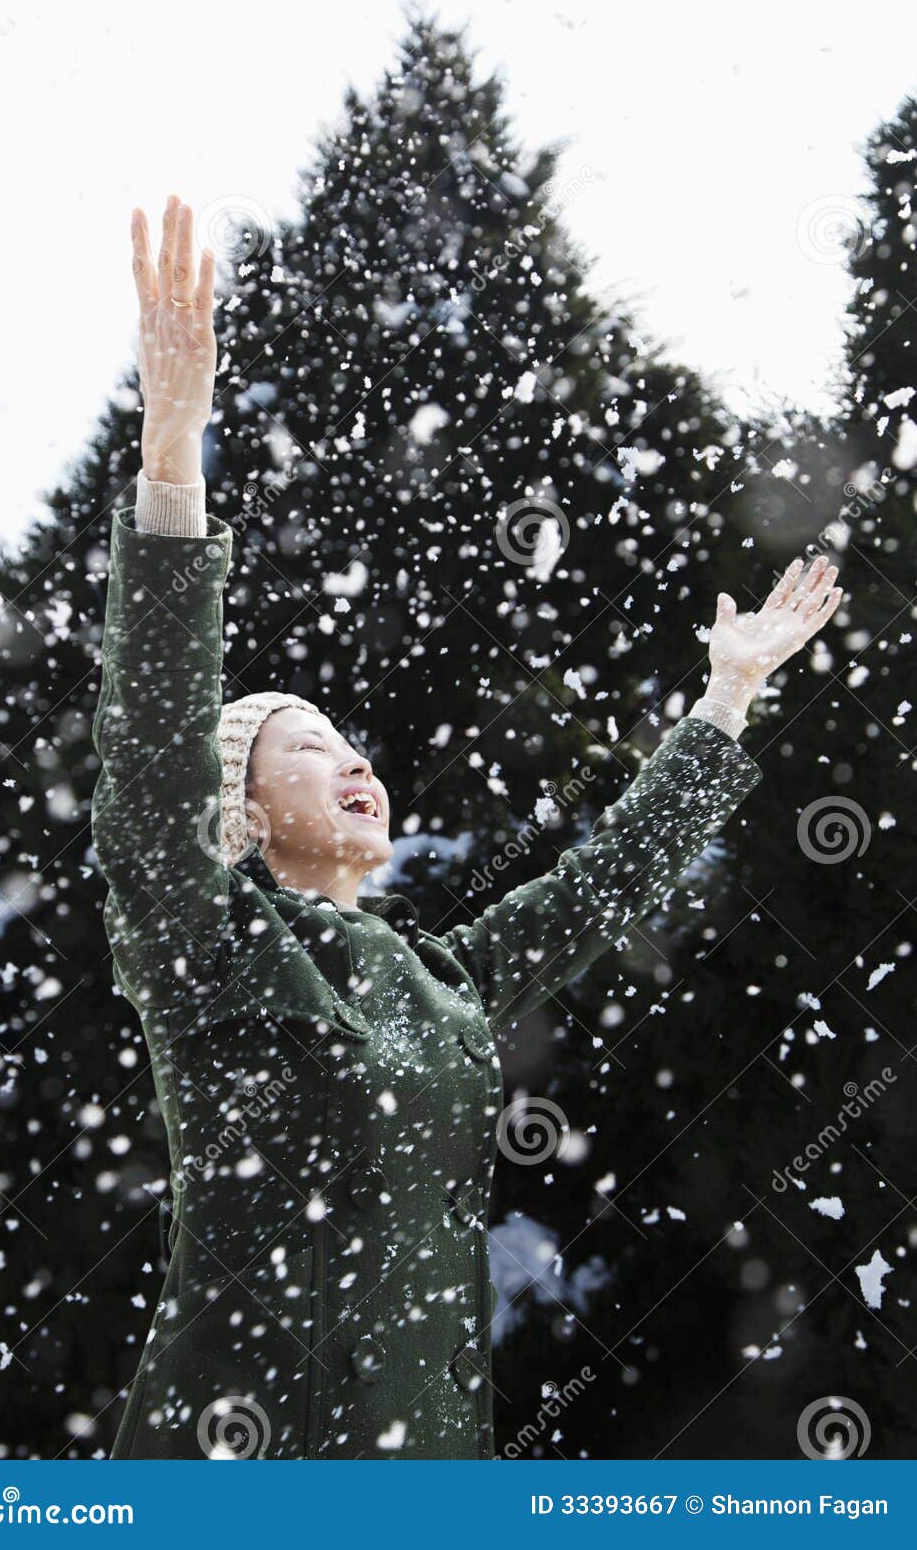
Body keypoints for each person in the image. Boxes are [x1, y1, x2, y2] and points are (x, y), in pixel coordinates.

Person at [92, 193, 844, 1460]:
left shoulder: (439, 981)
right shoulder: (203, 941)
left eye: (350, 739)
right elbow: (152, 759)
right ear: (241, 813)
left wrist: (725, 696)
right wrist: (173, 449)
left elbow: (600, 886)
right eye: (305, 744)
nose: (352, 758)